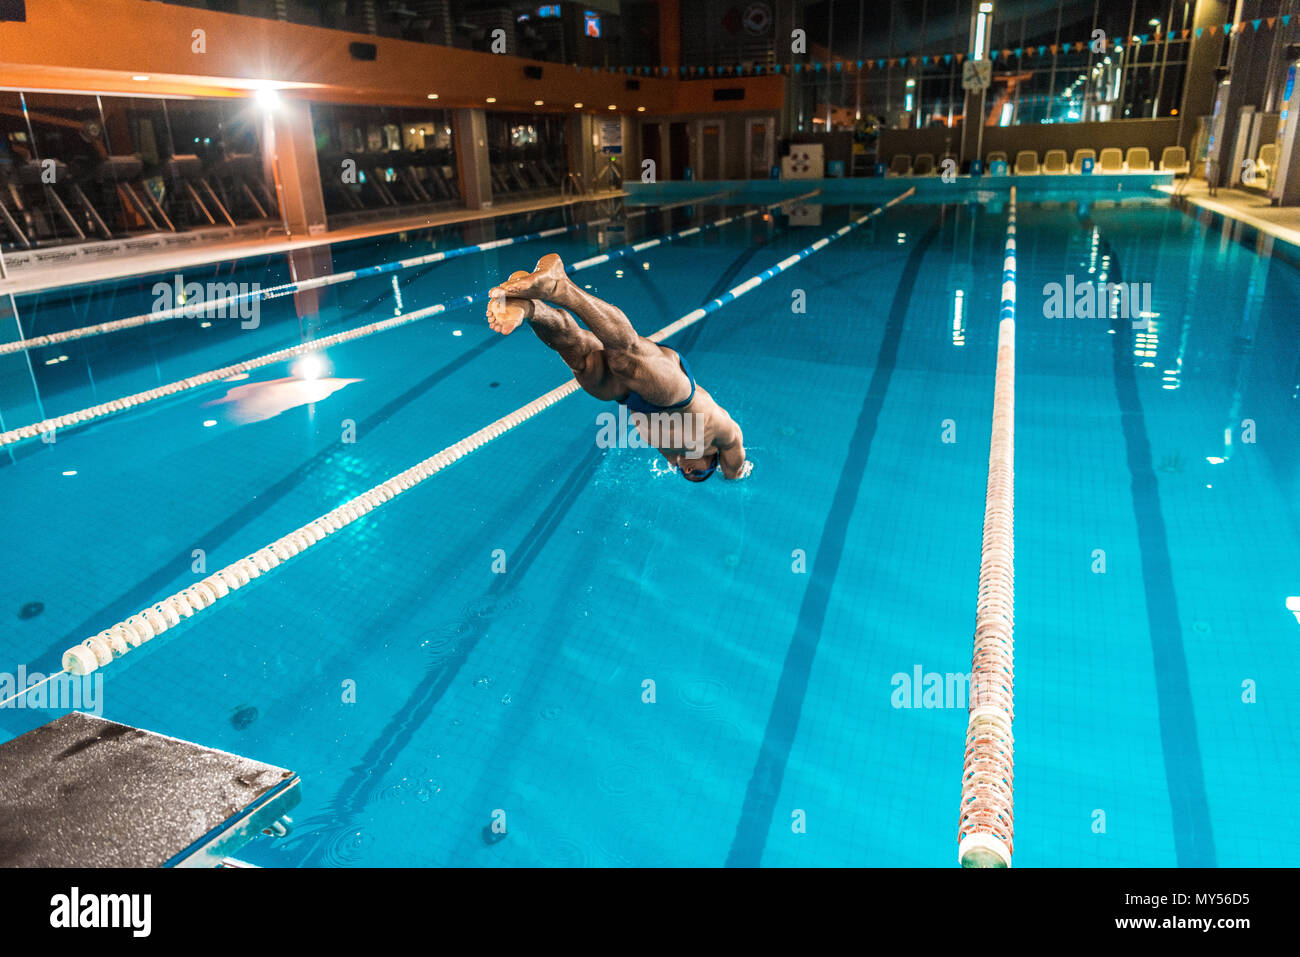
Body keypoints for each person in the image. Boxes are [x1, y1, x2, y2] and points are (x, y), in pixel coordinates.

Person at [486, 254, 751, 482]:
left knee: (581, 360)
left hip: (628, 398)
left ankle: (529, 306)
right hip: (677, 394)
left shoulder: (673, 456)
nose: (689, 469)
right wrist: (734, 474)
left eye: (687, 475)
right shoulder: (721, 434)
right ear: (714, 459)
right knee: (626, 358)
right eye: (700, 473)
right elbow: (736, 465)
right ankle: (559, 286)